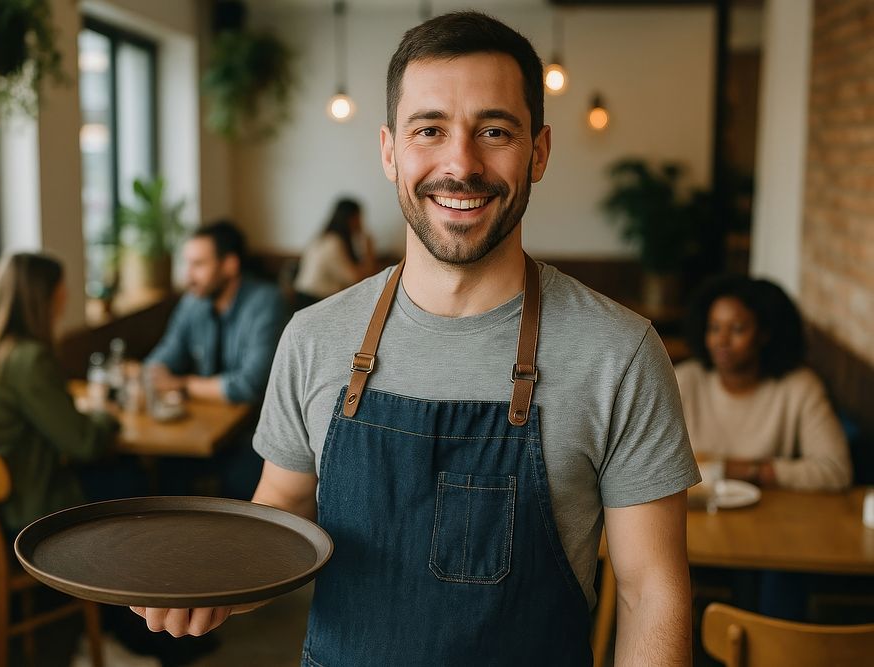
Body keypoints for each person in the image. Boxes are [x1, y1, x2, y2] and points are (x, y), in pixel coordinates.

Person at [133, 12, 700, 664]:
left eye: (494, 130)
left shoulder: (618, 352)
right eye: (429, 130)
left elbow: (649, 591)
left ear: (538, 151)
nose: (461, 163)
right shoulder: (314, 337)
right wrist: (215, 584)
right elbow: (284, 512)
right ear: (389, 150)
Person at [0, 253, 122, 555]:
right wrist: (108, 415)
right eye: (62, 288)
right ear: (45, 298)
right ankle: (114, 594)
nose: (66, 296)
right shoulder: (29, 360)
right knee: (131, 483)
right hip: (14, 525)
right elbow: (85, 443)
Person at [675, 275, 852, 492]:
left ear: (764, 334)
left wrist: (747, 471)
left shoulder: (800, 387)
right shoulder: (683, 380)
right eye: (714, 328)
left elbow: (836, 470)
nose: (721, 341)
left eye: (737, 329)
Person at [145, 220, 287, 405]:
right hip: (207, 415)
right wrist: (154, 371)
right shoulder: (193, 301)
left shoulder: (267, 303)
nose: (188, 276)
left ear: (230, 265)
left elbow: (251, 385)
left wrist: (183, 385)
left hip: (252, 423)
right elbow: (167, 352)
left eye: (198, 265)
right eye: (187, 264)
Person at [293, 197, 378, 306]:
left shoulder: (324, 237)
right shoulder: (333, 243)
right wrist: (369, 249)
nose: (361, 222)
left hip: (305, 296)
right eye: (358, 217)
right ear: (350, 219)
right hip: (314, 299)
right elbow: (355, 279)